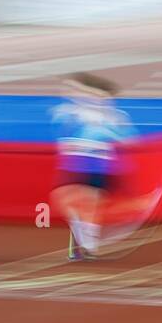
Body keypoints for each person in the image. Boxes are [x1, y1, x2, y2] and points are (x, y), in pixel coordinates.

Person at [50, 73, 136, 260]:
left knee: (91, 206)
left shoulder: (116, 117)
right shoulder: (75, 112)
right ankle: (85, 246)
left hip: (98, 166)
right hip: (77, 165)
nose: (100, 99)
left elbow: (127, 140)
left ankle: (85, 247)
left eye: (104, 97)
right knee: (76, 204)